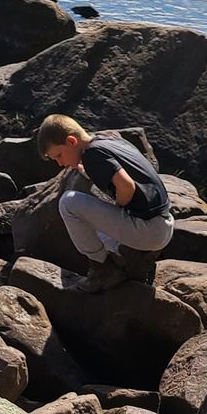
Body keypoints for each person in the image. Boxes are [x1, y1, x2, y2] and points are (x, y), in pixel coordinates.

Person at [36, 113, 175, 290]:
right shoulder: (107, 140)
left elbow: (126, 186)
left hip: (148, 232)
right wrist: (86, 170)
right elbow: (115, 171)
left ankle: (103, 270)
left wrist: (119, 209)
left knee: (68, 203)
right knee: (97, 232)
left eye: (59, 155)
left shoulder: (93, 155)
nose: (60, 163)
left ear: (71, 141)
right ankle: (135, 258)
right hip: (164, 225)